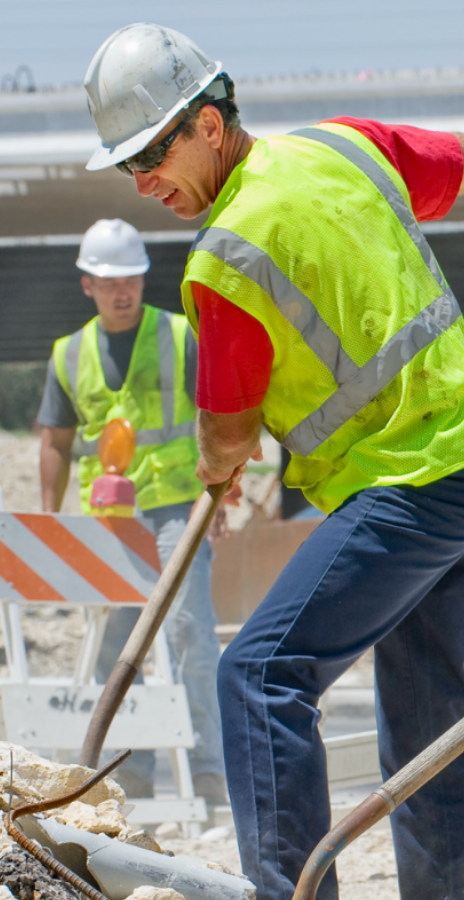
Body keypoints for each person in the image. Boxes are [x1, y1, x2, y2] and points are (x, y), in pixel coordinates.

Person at [84, 23, 464, 900]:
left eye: (154, 153)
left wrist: (218, 468)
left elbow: (229, 434)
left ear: (210, 123)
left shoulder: (224, 260)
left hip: (403, 491)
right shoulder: (346, 148)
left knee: (261, 675)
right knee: (429, 722)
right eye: (128, 165)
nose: (144, 182)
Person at [36, 218, 226, 805]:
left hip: (176, 507)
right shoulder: (68, 356)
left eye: (133, 279)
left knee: (192, 634)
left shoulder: (178, 335)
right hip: (108, 521)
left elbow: (217, 414)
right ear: (87, 283)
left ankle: (212, 773)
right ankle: (127, 774)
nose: (123, 290)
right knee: (117, 646)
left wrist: (218, 495)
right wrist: (51, 520)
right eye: (110, 280)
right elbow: (56, 442)